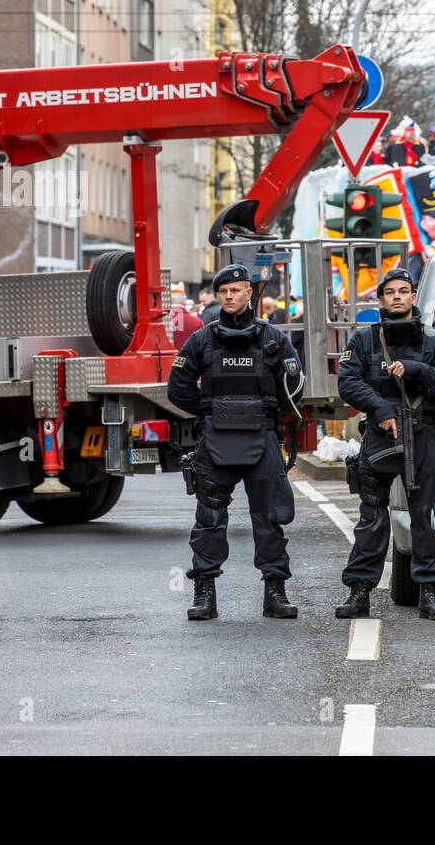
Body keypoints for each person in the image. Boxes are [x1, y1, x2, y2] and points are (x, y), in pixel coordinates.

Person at [167, 264, 304, 622]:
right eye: (223, 291)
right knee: (209, 521)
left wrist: (262, 411)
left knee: (270, 519)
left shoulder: (273, 338)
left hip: (263, 438)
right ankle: (204, 594)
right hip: (216, 442)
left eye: (236, 290)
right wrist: (211, 411)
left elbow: (295, 386)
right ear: (218, 295)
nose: (229, 297)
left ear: (249, 294)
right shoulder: (202, 339)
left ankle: (275, 592)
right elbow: (177, 387)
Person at [334, 269, 435, 622]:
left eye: (403, 291)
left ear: (413, 297)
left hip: (422, 437)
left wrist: (416, 369)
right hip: (380, 436)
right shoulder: (364, 340)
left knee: (424, 517)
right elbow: (348, 381)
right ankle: (359, 593)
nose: (396, 297)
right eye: (389, 292)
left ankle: (431, 593)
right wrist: (380, 408)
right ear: (381, 299)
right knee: (372, 518)